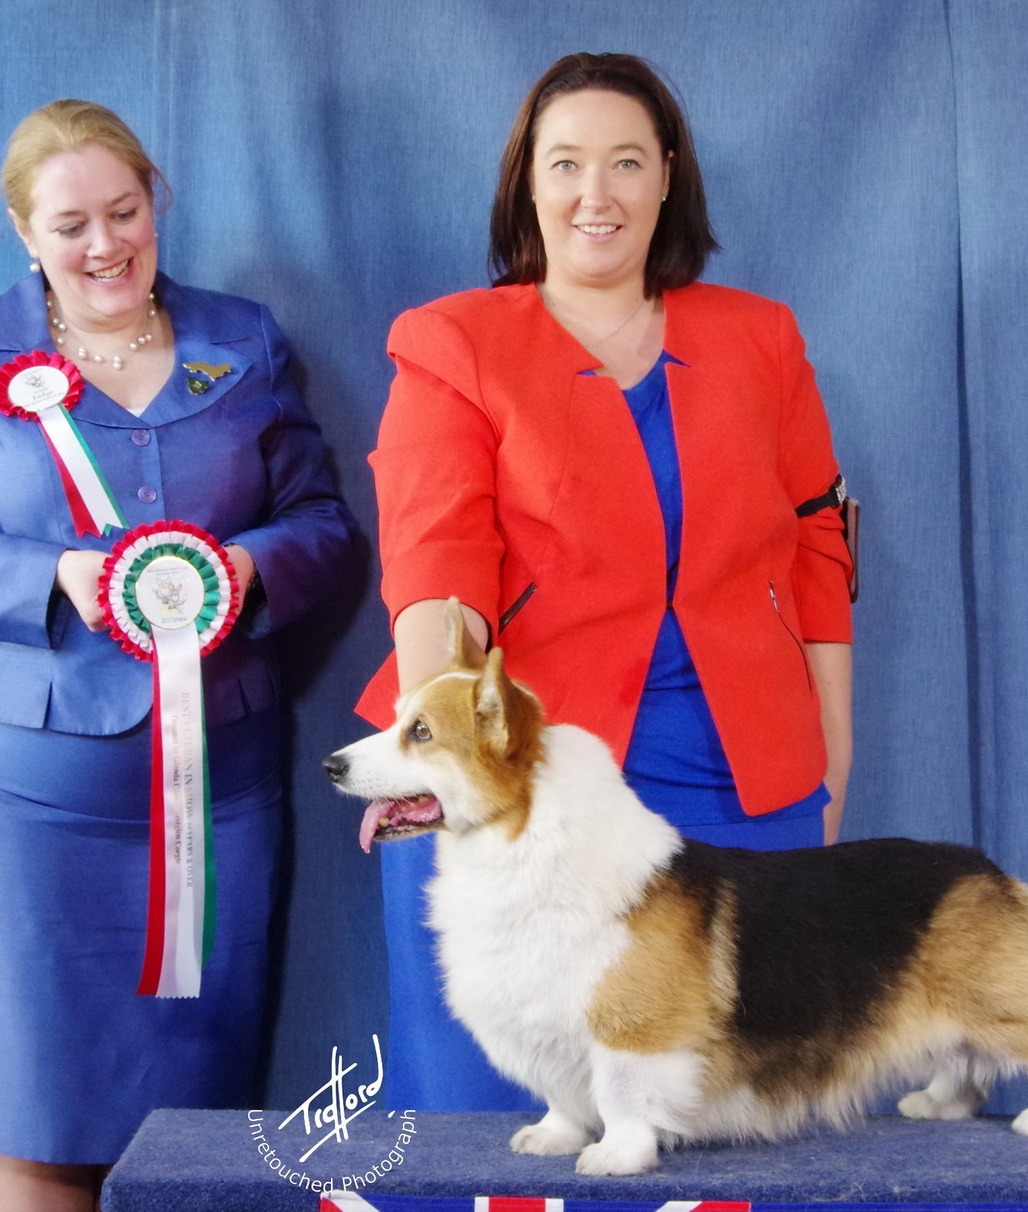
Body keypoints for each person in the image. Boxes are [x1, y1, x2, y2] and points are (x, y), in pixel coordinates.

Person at [0, 100, 355, 1211]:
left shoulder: (244, 338)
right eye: (71, 224)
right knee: (35, 1126)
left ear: (157, 200)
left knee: (188, 1138)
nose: (104, 245)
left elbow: (324, 526)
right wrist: (55, 576)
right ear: (22, 232)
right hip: (18, 807)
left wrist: (249, 568)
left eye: (125, 212)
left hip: (218, 799)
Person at [355, 54, 854, 1112]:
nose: (597, 193)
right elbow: (436, 565)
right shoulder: (451, 342)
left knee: (733, 1120)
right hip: (524, 789)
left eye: (626, 162)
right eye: (566, 163)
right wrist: (448, 764)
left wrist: (832, 742)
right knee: (510, 1132)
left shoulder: (761, 337)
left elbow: (815, 540)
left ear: (668, 175)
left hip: (740, 783)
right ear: (526, 182)